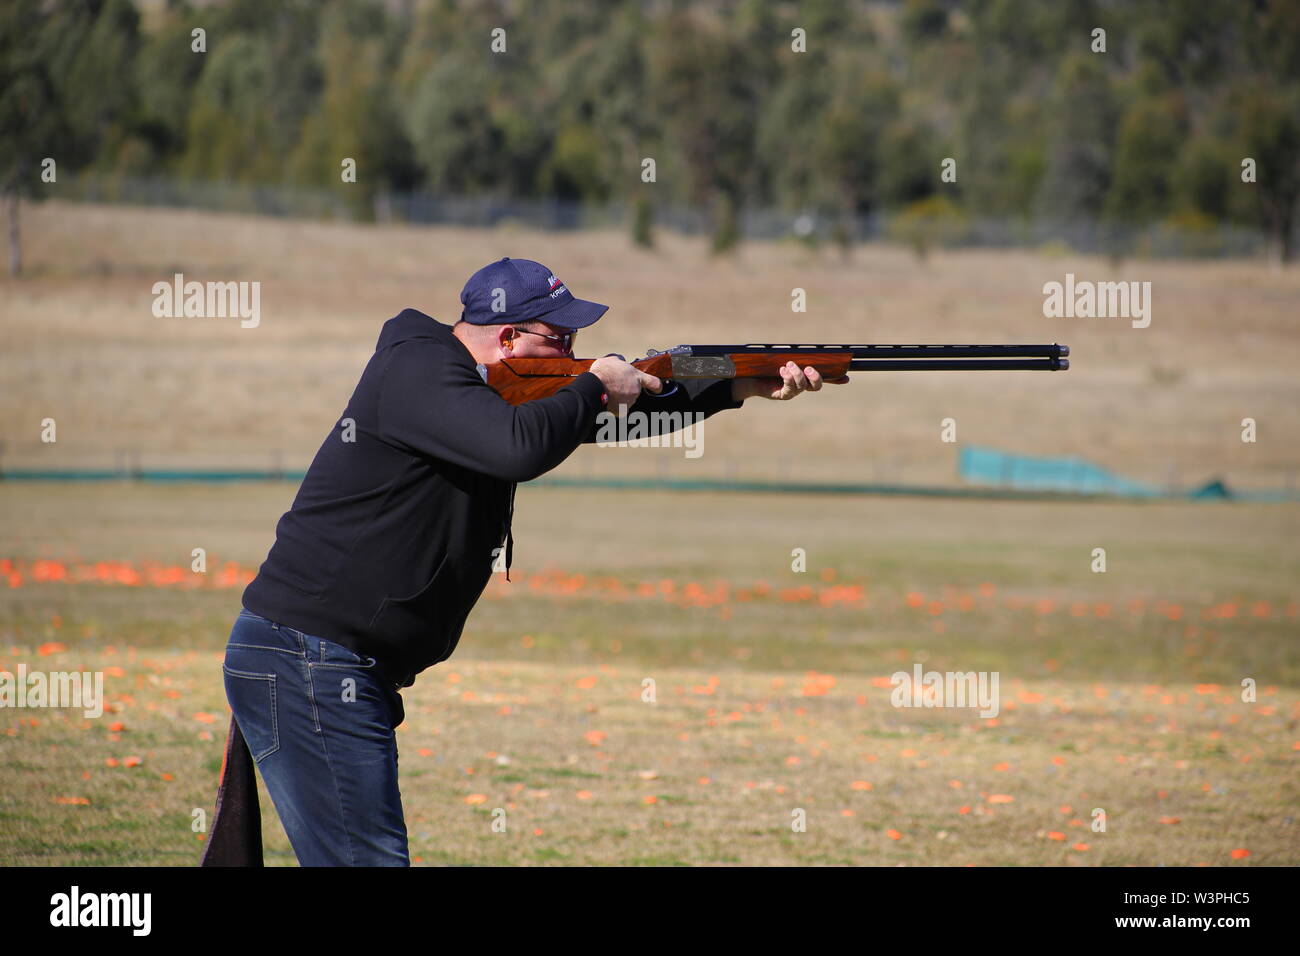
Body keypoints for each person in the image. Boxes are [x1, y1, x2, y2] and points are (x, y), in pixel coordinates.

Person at [201, 256, 846, 866]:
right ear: (509, 339)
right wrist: (594, 385)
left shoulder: (473, 391)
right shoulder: (420, 368)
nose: (574, 354)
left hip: (325, 660)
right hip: (310, 656)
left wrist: (737, 386)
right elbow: (520, 448)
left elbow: (614, 418)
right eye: (560, 340)